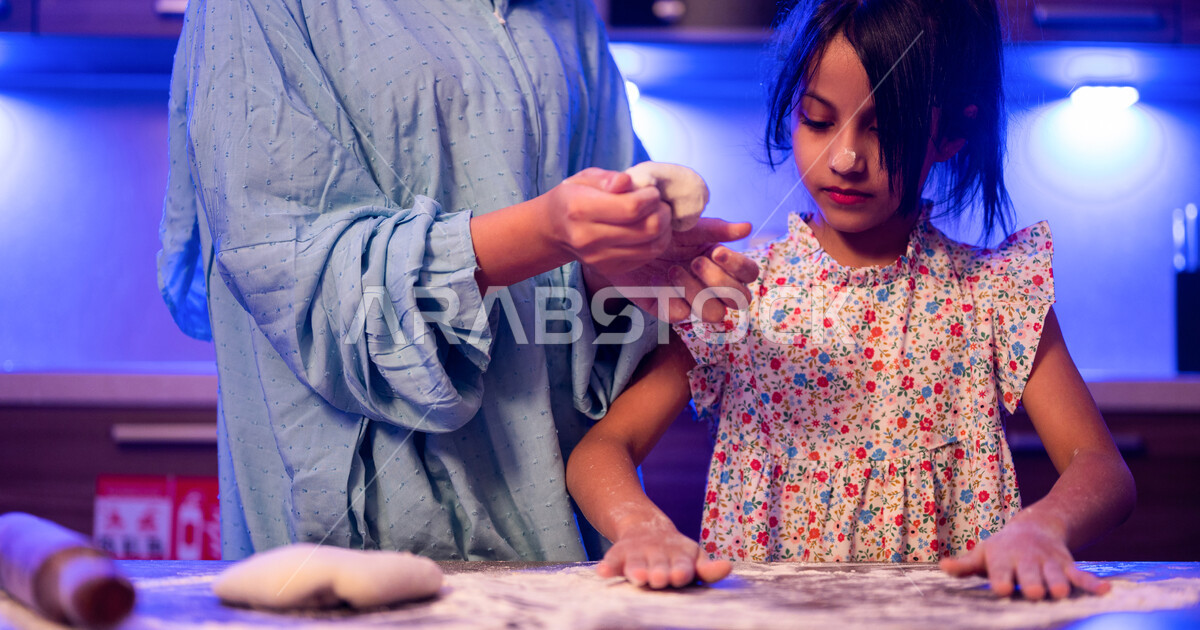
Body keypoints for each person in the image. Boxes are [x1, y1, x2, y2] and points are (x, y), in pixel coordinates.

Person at [566, 0, 1136, 598]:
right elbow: (603, 448)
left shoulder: (993, 294)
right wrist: (639, 527)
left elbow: (1101, 469)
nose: (844, 158)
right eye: (817, 120)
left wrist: (1043, 527)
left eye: (885, 128)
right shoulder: (741, 291)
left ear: (951, 134)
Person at [157, 0, 759, 562]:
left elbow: (581, 310)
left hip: (555, 550)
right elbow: (299, 280)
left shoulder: (567, 12)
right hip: (359, 547)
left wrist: (614, 272)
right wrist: (548, 230)